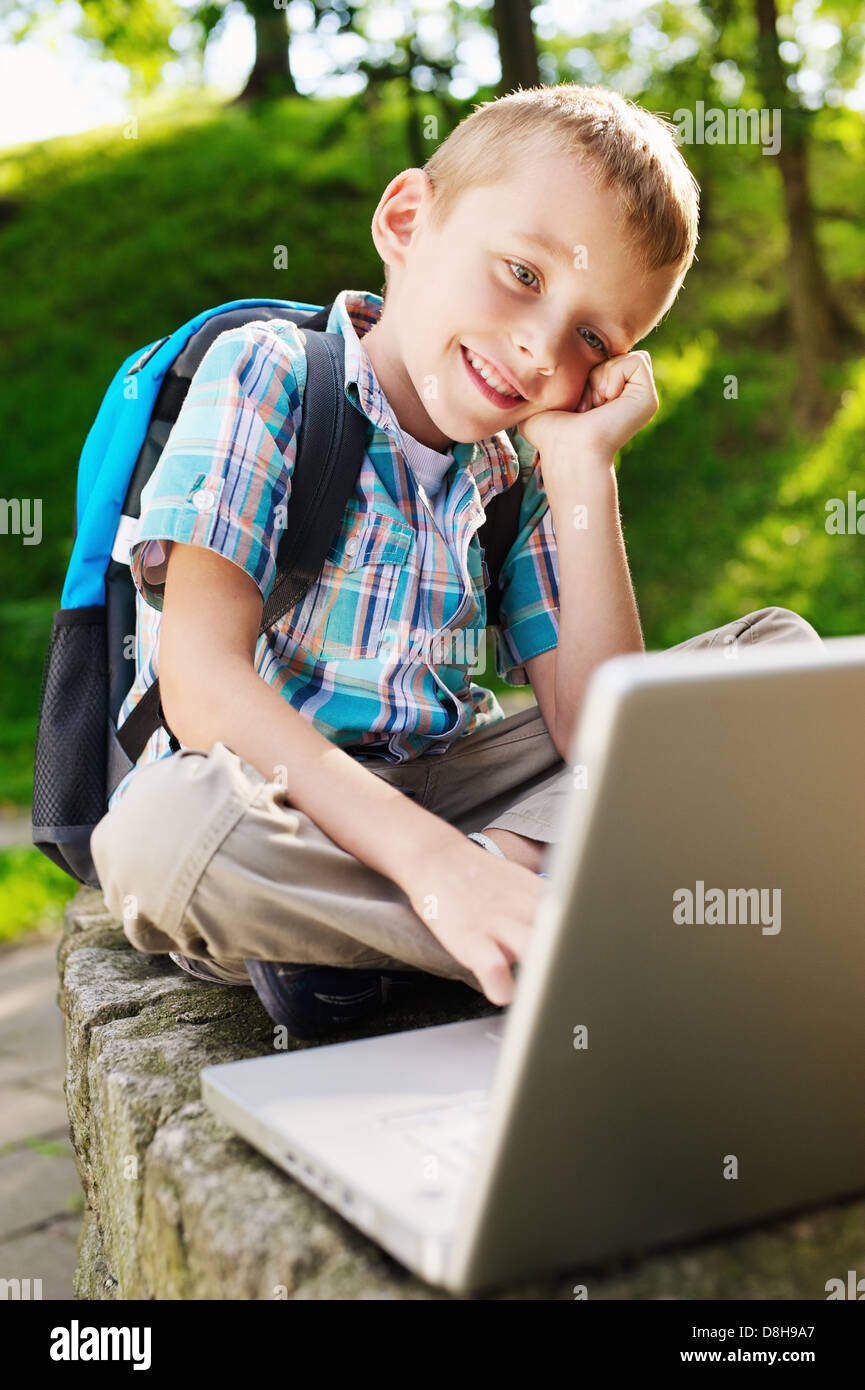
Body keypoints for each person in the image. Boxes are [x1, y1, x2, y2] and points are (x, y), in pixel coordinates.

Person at [90, 83, 822, 1040]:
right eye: (521, 272)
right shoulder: (272, 372)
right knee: (159, 836)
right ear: (405, 220)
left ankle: (413, 929)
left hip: (454, 790)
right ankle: (532, 918)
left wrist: (579, 466)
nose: (538, 344)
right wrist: (435, 867)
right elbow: (201, 683)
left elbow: (606, 735)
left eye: (593, 338)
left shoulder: (510, 471)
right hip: (274, 800)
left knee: (772, 656)